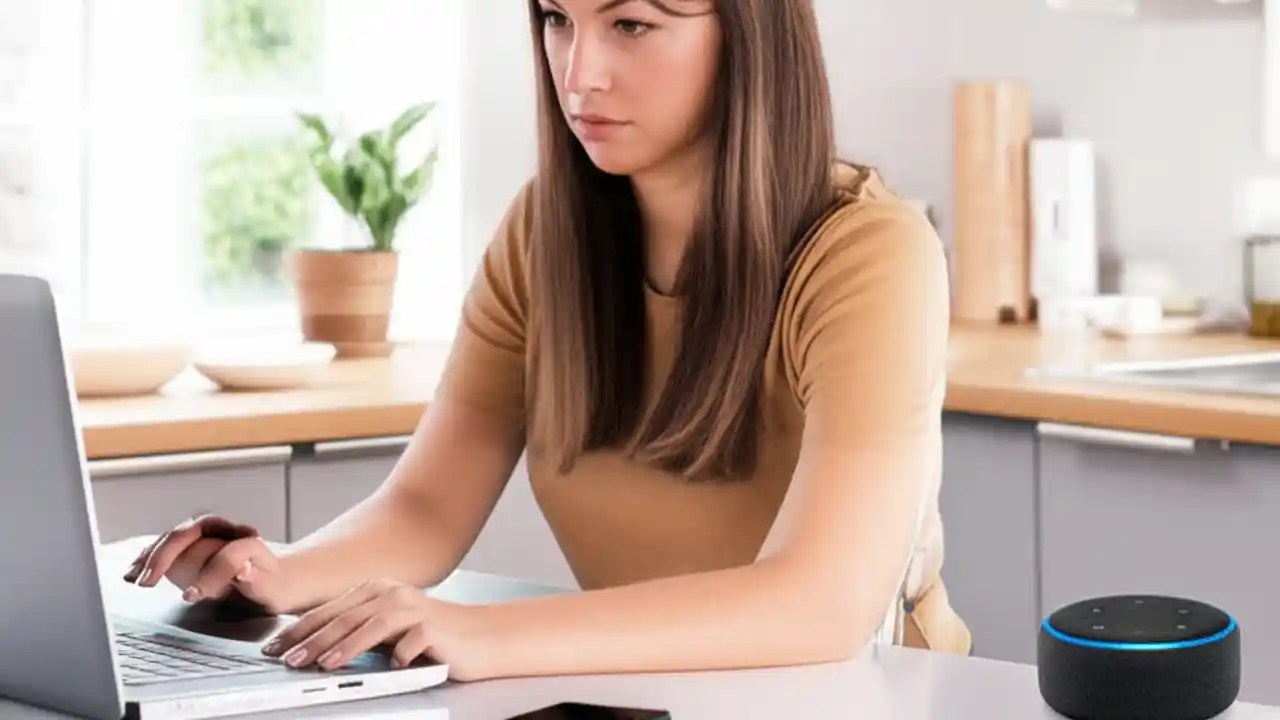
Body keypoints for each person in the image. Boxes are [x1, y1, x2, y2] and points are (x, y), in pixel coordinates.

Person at [125, 0, 972, 681]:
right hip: (655, 697)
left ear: (751, 29)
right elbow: (426, 510)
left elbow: (819, 606)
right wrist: (271, 575)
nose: (578, 71)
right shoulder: (546, 233)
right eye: (555, 18)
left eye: (631, 24)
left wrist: (480, 635)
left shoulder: (868, 252)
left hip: (867, 696)